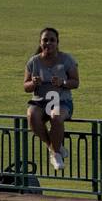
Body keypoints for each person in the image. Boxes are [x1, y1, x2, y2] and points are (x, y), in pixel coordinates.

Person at [23, 26, 78, 172]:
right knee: (31, 115)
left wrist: (63, 82)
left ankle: (55, 152)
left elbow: (76, 82)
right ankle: (55, 149)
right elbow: (26, 86)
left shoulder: (67, 60)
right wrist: (33, 83)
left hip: (62, 101)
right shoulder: (33, 61)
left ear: (57, 42)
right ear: (40, 42)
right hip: (40, 101)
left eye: (52, 40)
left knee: (56, 116)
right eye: (45, 40)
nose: (48, 43)